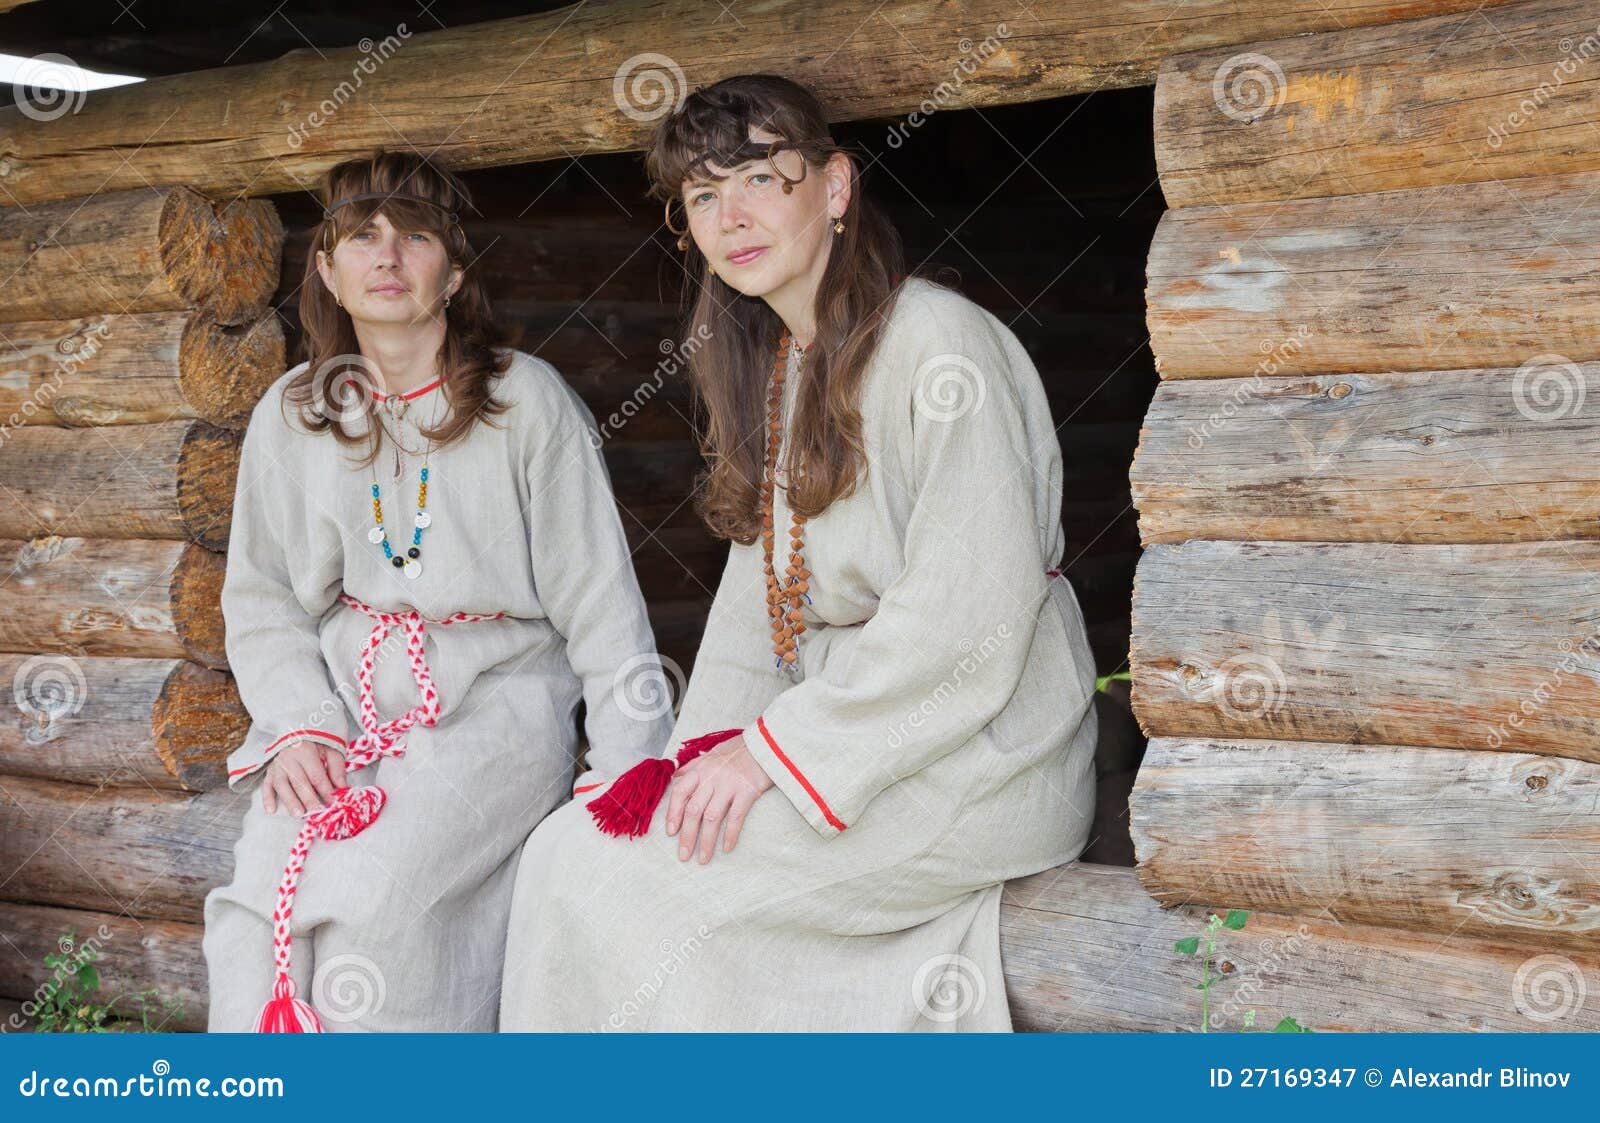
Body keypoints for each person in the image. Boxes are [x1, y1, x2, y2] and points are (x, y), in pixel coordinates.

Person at [498, 75, 1098, 1031]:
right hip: (847, 741)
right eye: (702, 196)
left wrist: (771, 753)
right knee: (576, 849)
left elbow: (967, 617)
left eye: (761, 179)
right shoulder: (784, 364)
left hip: (975, 755)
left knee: (629, 882)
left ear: (834, 187)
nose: (730, 215)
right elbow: (758, 597)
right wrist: (693, 756)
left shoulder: (941, 347)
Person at [202, 149, 671, 1032]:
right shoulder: (293, 411)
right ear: (329, 273)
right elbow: (261, 597)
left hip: (494, 704)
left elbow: (602, 604)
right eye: (362, 237)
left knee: (380, 901)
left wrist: (626, 772)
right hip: (340, 699)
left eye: (415, 237)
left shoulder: (526, 404)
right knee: (255, 897)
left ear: (452, 273)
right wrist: (303, 724)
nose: (388, 256)